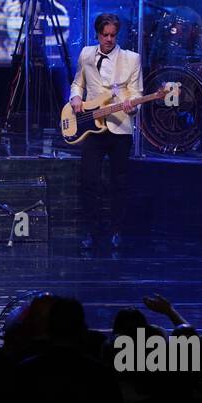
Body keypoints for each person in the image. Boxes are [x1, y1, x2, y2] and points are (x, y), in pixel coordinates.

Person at [69, 13, 142, 252]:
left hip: (119, 128)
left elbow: (136, 92)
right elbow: (78, 82)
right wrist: (76, 97)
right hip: (91, 127)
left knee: (118, 182)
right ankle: (91, 230)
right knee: (89, 180)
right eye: (105, 35)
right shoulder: (86, 55)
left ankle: (116, 231)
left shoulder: (132, 59)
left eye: (113, 35)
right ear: (98, 34)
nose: (109, 39)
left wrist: (132, 103)